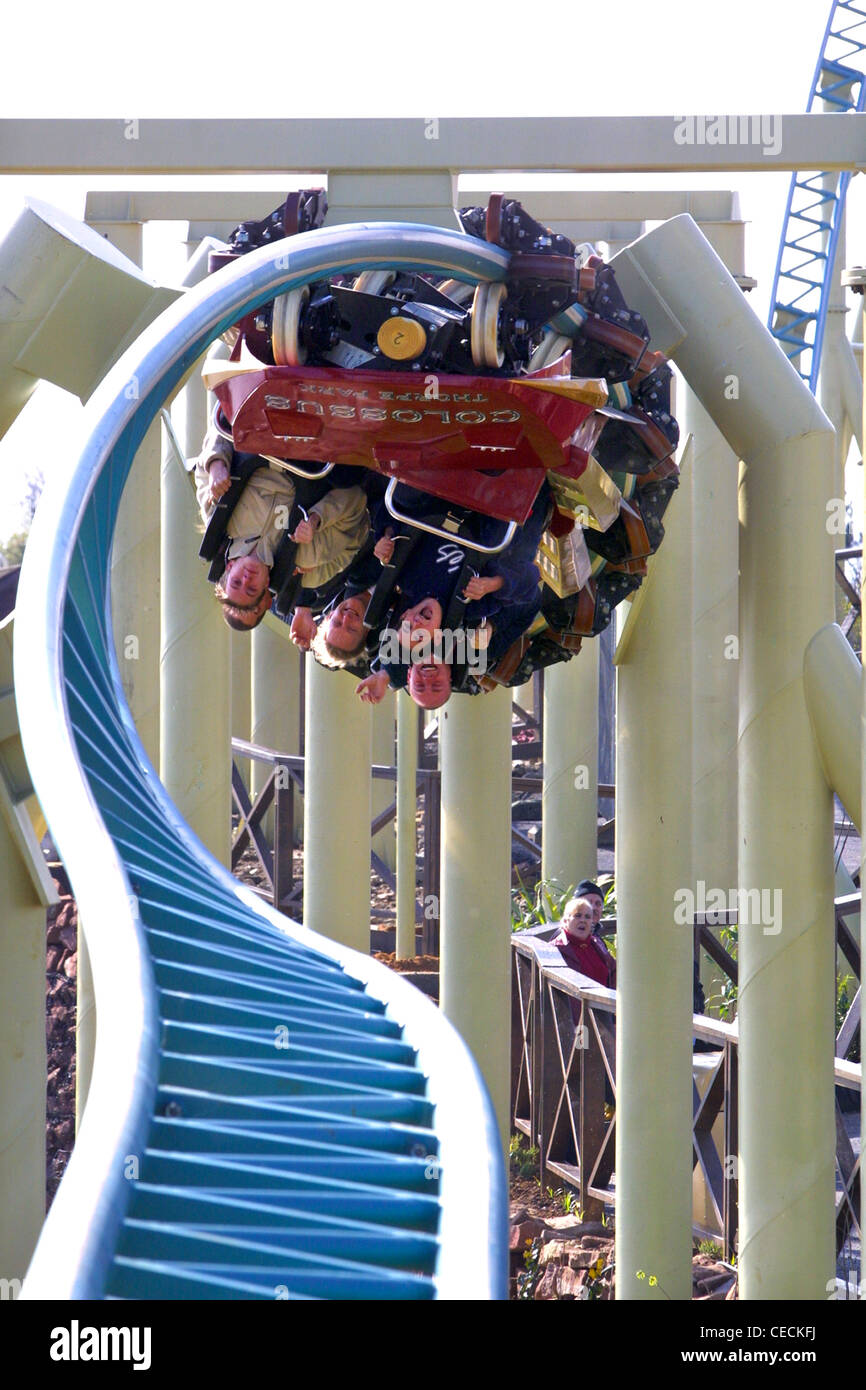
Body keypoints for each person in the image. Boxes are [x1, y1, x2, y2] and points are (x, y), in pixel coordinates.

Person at [194, 430, 370, 630]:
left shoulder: (218, 520)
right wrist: (317, 519)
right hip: (316, 451)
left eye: (236, 582)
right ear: (266, 584)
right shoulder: (305, 554)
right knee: (349, 475)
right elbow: (356, 501)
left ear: (229, 568)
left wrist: (216, 465)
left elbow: (216, 436)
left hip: (264, 432)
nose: (246, 578)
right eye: (252, 589)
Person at [553, 896, 616, 989]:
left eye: (587, 917)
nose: (583, 920)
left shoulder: (597, 944)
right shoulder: (556, 948)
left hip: (605, 1001)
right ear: (566, 920)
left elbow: (614, 972)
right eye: (577, 915)